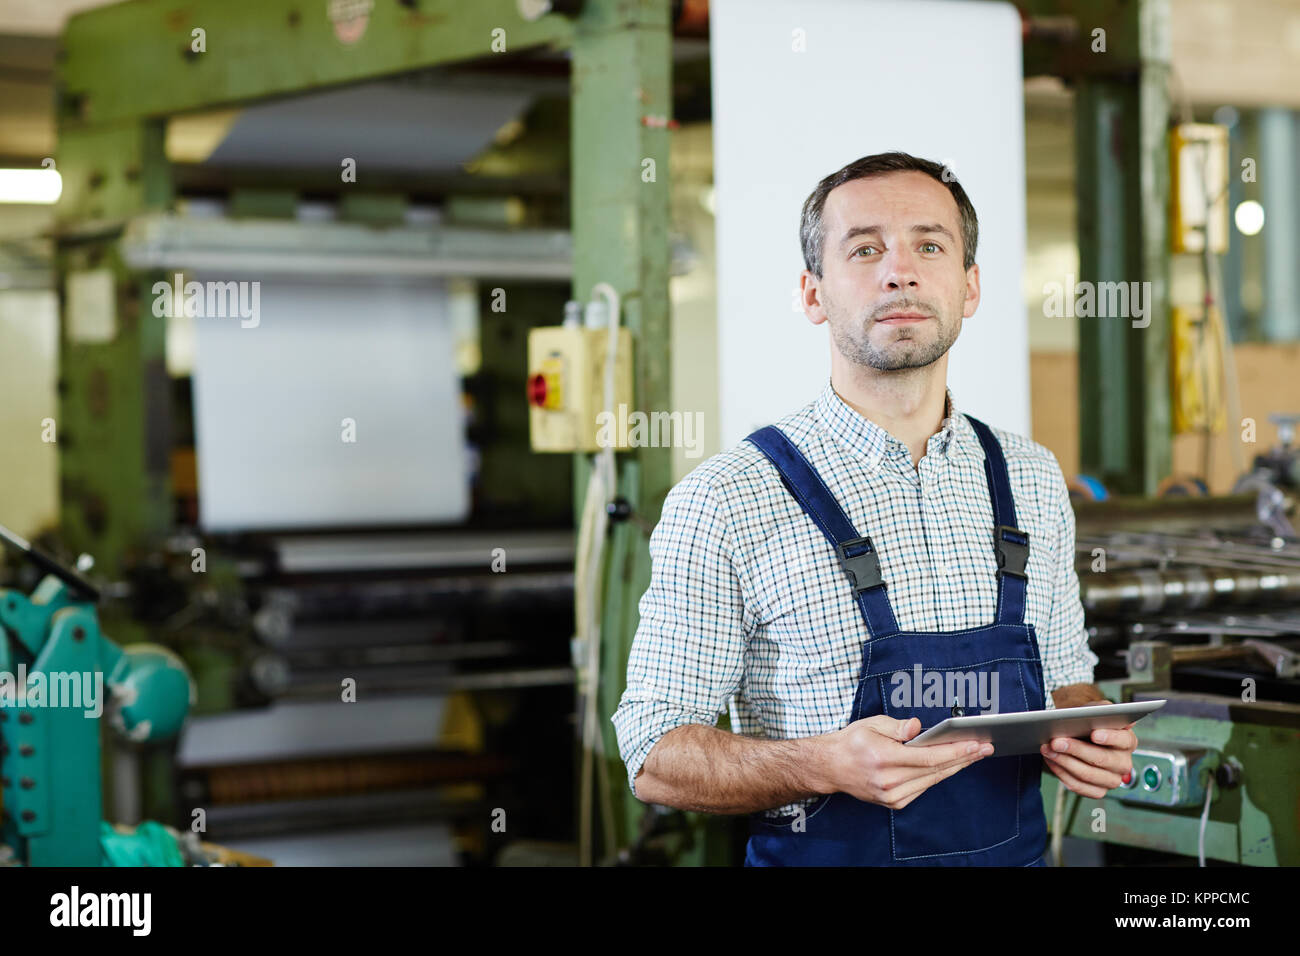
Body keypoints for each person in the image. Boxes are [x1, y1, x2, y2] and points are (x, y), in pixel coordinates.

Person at [610, 151, 1138, 866]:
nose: (901, 271)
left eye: (930, 245)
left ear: (971, 285)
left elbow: (1066, 678)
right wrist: (820, 765)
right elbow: (653, 753)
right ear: (813, 294)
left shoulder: (1033, 479)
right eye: (864, 250)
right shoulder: (727, 498)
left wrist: (1085, 730)